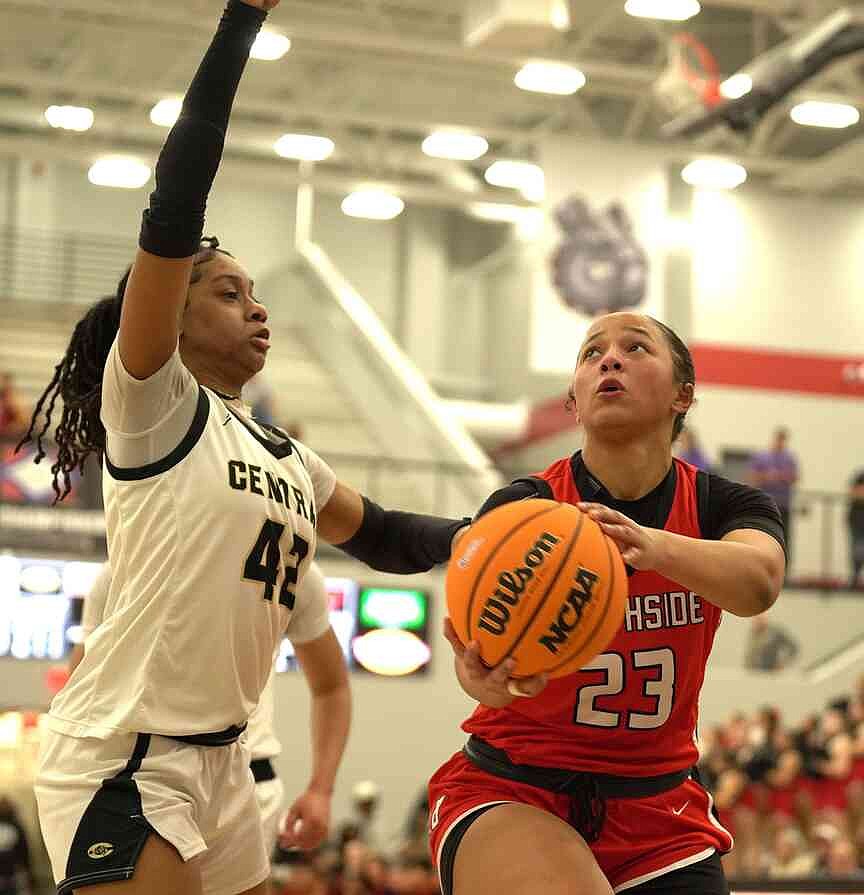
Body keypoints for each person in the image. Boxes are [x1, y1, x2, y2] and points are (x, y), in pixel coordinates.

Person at [19, 3, 469, 893]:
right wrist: (243, 21)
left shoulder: (288, 455)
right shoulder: (152, 402)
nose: (257, 308)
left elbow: (385, 535)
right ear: (172, 316)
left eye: (256, 293)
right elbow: (176, 198)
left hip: (226, 764)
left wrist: (506, 523)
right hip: (127, 753)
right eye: (229, 292)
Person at [428, 312, 787, 895]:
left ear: (682, 395)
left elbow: (760, 583)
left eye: (635, 347)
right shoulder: (526, 507)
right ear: (574, 400)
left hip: (660, 808)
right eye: (591, 353)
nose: (609, 359)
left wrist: (652, 547)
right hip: (515, 789)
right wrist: (484, 679)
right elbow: (482, 673)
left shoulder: (722, 504)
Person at [67, 563, 335, 863]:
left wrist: (321, 790)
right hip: (146, 774)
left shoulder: (294, 560)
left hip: (247, 774)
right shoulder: (122, 565)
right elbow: (80, 687)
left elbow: (331, 686)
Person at [749, 428, 797, 563]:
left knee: (785, 537)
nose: (780, 443)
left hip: (783, 505)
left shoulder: (789, 458)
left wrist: (783, 476)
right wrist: (768, 476)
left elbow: (794, 477)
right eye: (779, 439)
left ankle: (784, 567)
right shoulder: (762, 457)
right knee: (765, 535)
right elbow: (752, 476)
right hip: (767, 504)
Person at [0, 796, 35, 895]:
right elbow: (24, 851)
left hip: (12, 874)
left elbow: (24, 851)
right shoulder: (16, 827)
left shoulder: (16, 827)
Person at [848, 468, 864, 588]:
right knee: (857, 549)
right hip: (857, 518)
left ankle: (855, 577)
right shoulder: (860, 477)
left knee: (858, 548)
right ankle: (855, 577)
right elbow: (855, 493)